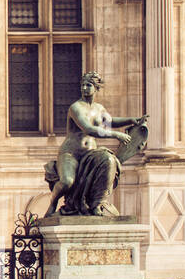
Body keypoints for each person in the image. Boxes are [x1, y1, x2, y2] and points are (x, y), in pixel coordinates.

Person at [44, 72, 148, 217]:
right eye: (83, 85)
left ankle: (97, 203)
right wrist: (116, 134)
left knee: (109, 160)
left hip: (91, 153)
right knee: (67, 181)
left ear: (96, 88)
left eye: (89, 85)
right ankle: (53, 203)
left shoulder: (99, 108)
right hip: (71, 153)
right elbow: (89, 129)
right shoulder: (76, 107)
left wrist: (132, 120)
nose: (84, 88)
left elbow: (109, 122)